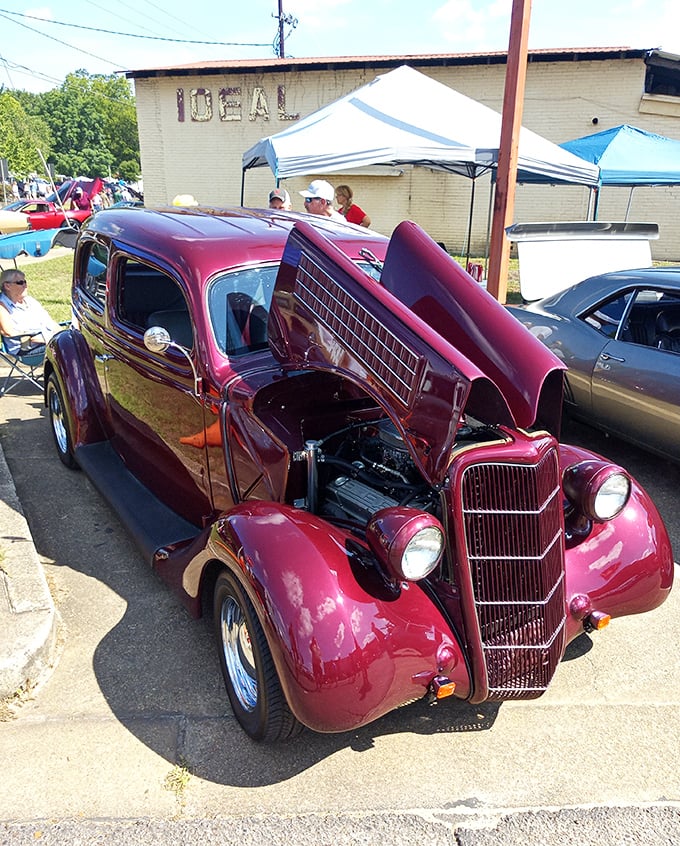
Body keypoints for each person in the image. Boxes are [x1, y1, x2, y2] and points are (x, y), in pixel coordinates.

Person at [0, 269, 60, 356]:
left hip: (47, 340)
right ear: (7, 286)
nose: (25, 285)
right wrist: (35, 338)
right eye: (20, 282)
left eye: (25, 282)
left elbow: (49, 322)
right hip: (25, 350)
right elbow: (8, 332)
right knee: (64, 350)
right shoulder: (2, 306)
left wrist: (62, 334)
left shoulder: (30, 301)